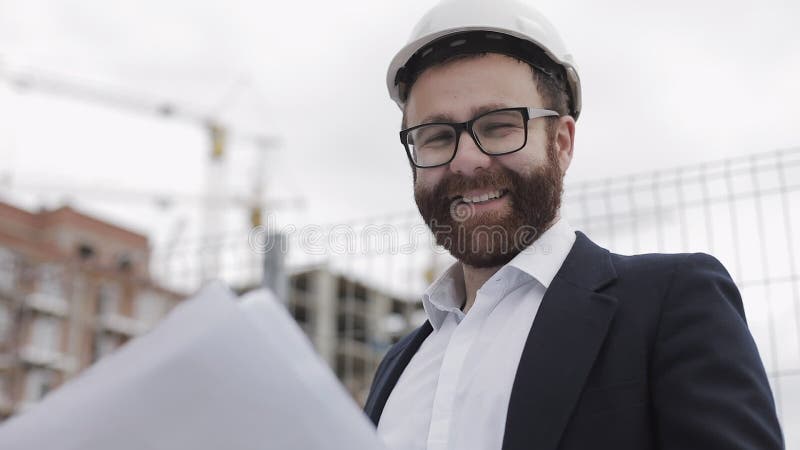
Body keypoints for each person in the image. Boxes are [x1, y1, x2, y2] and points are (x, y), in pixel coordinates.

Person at [363, 0, 784, 449]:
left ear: (561, 143)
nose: (466, 160)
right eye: (437, 136)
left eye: (500, 126)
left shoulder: (669, 304)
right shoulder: (397, 367)